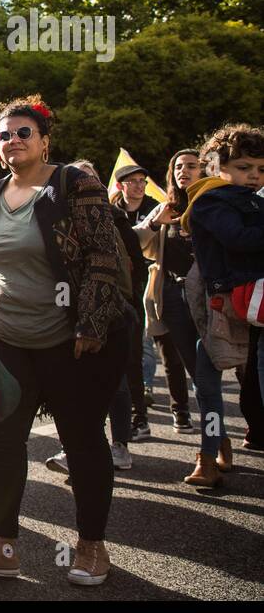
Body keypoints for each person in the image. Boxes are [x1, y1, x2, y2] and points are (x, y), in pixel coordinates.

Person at [0, 96, 129, 587]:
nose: (13, 140)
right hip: (9, 343)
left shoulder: (73, 185)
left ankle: (91, 547)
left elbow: (105, 253)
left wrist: (91, 324)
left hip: (72, 341)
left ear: (44, 141)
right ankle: (1, 545)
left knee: (81, 442)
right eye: (4, 135)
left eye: (23, 132)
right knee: (1, 442)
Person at [42, 161, 143, 475]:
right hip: (69, 314)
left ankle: (119, 446)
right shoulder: (54, 218)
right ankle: (78, 451)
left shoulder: (113, 218)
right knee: (75, 388)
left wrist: (115, 306)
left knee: (117, 386)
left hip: (114, 313)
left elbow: (134, 266)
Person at [180, 124, 264, 486]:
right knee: (208, 384)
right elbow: (239, 238)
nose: (254, 176)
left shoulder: (253, 200)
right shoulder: (211, 199)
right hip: (221, 304)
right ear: (216, 166)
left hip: (253, 302)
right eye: (245, 168)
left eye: (261, 169)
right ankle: (210, 453)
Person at [133, 150, 201, 434]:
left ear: (205, 170)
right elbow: (136, 242)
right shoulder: (165, 207)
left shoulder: (211, 205)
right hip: (170, 293)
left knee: (211, 362)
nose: (183, 172)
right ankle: (184, 415)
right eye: (178, 167)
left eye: (191, 166)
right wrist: (154, 222)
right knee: (173, 358)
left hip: (208, 296)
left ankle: (225, 429)